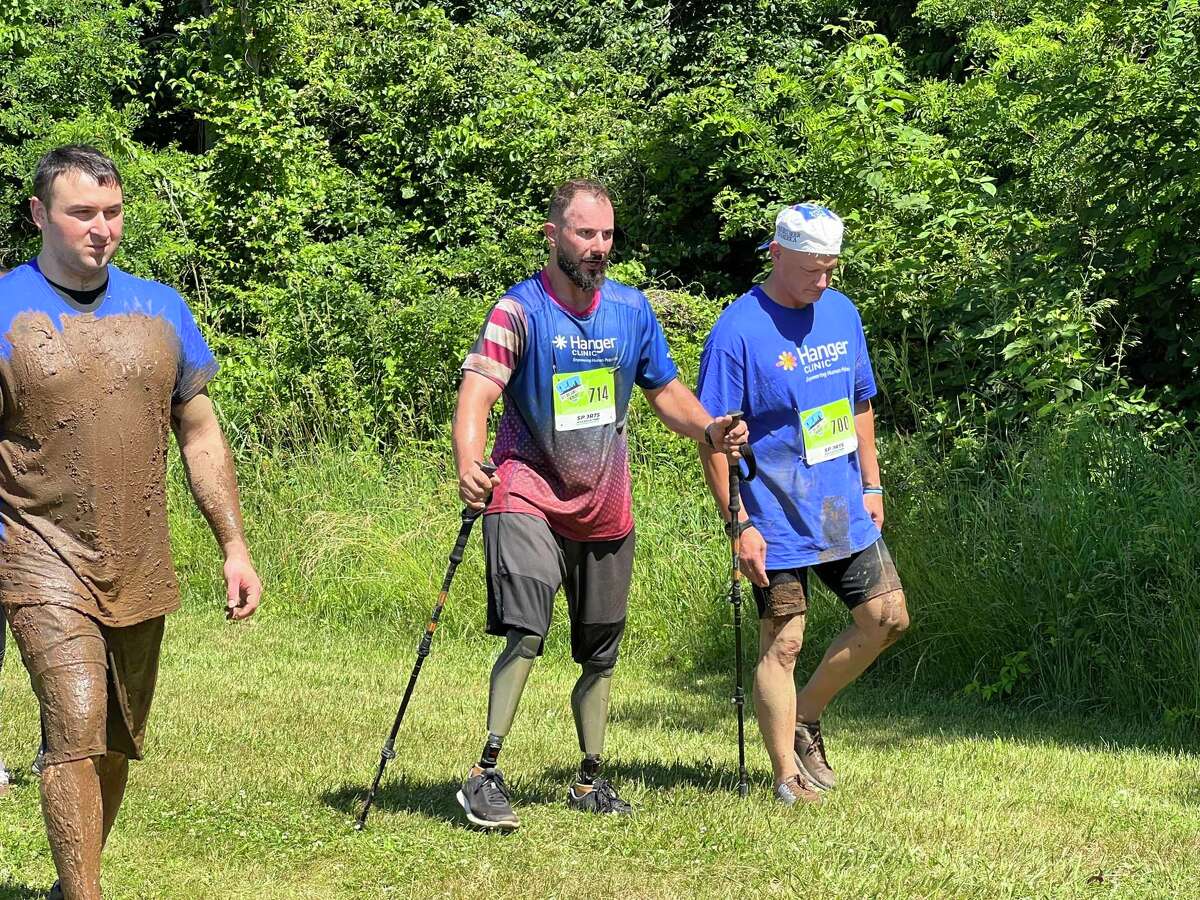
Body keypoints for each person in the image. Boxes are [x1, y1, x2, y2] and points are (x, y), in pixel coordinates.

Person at [0, 146, 262, 900]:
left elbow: (201, 431)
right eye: (82, 212)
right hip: (36, 552)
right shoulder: (6, 311)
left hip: (139, 556)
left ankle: (71, 883)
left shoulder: (161, 310)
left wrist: (234, 546)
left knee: (116, 740)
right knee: (77, 724)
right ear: (39, 215)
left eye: (111, 213)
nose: (101, 228)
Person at [453, 178, 747, 830]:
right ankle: (486, 774)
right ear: (553, 234)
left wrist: (708, 430)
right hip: (525, 490)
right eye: (586, 234)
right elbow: (476, 394)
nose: (598, 248)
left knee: (601, 652)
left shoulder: (631, 312)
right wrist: (469, 463)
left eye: (607, 235)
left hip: (605, 505)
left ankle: (589, 779)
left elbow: (665, 390)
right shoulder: (519, 311)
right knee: (527, 629)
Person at [697, 203, 909, 805]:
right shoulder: (737, 330)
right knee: (784, 641)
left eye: (831, 270)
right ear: (776, 254)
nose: (822, 282)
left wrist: (872, 484)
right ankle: (786, 775)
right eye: (811, 270)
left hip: (839, 502)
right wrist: (738, 524)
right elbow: (714, 439)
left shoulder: (841, 312)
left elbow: (860, 403)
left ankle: (805, 718)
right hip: (771, 512)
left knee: (887, 618)